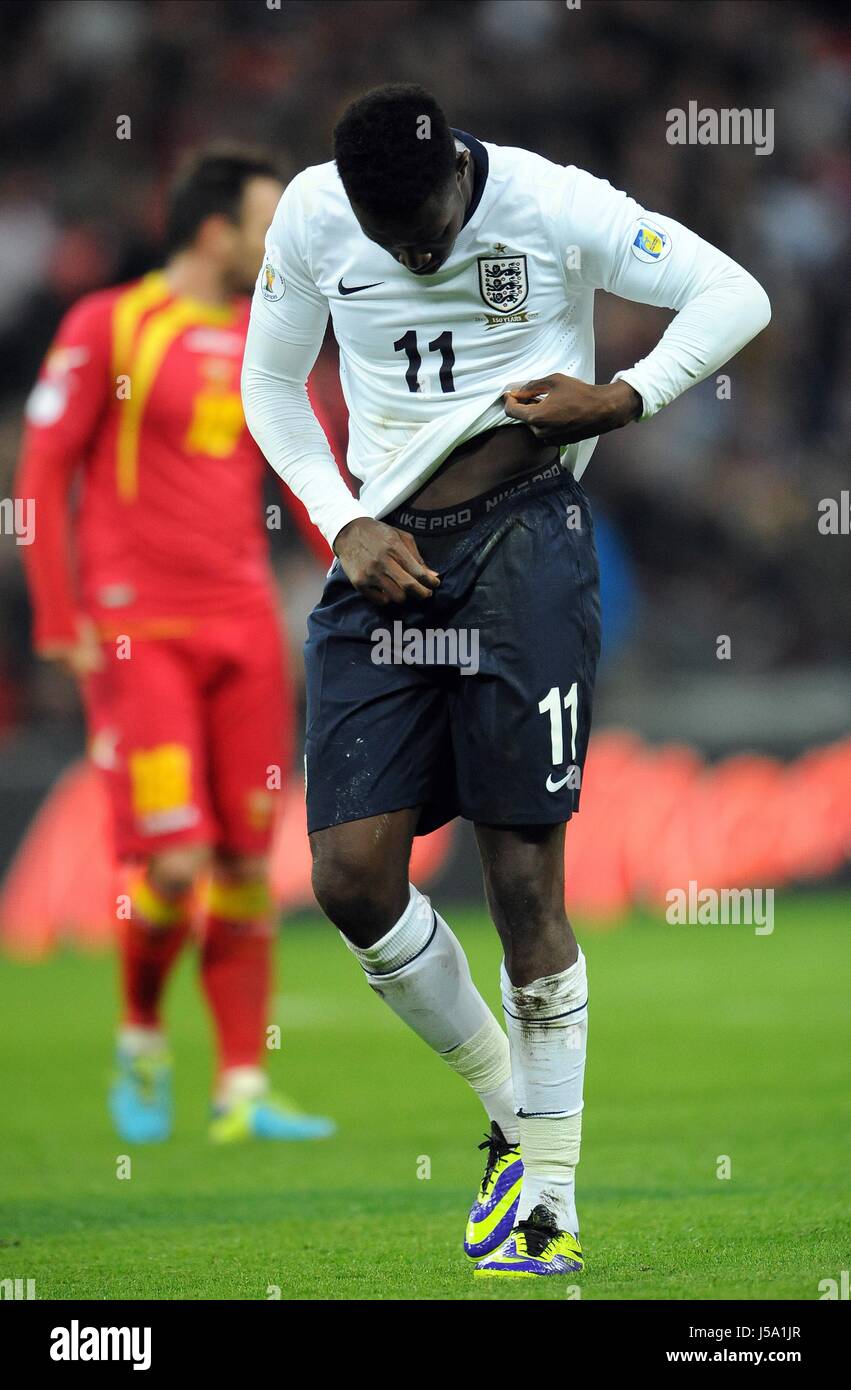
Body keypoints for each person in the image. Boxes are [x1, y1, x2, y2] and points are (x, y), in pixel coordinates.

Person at [241, 84, 770, 1276]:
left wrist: (625, 395)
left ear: (461, 177)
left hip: (525, 541)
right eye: (394, 241)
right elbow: (268, 387)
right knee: (348, 877)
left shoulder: (550, 204)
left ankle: (548, 1205)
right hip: (381, 557)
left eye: (428, 227)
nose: (416, 251)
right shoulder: (317, 217)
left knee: (523, 879)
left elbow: (734, 292)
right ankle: (506, 1114)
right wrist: (336, 525)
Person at [17, 146, 337, 1147]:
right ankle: (143, 1032)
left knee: (245, 864)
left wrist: (353, 565)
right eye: (262, 223)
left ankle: (241, 1085)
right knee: (173, 862)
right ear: (213, 231)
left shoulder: (266, 337)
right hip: (134, 631)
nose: (274, 242)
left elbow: (306, 474)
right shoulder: (110, 323)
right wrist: (56, 614)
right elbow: (38, 471)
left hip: (245, 630)